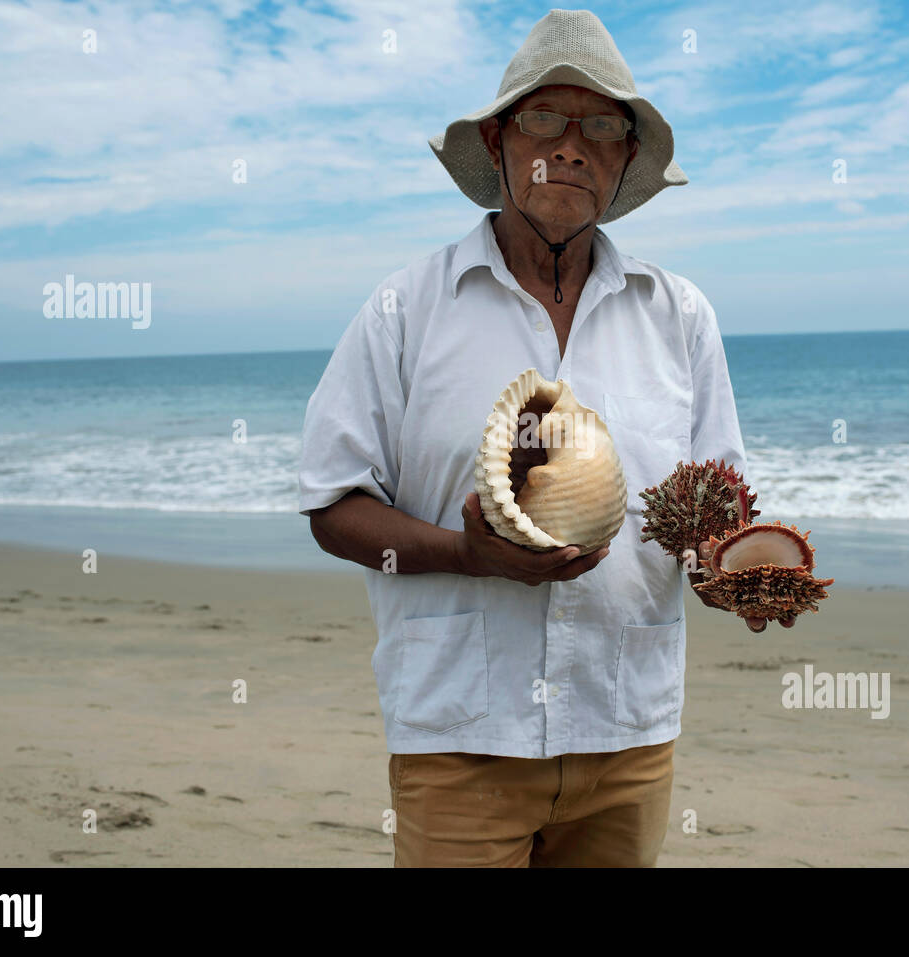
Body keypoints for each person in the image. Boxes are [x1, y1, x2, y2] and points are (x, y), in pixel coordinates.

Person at [298, 8, 790, 868]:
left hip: (627, 733)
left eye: (601, 126)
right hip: (460, 732)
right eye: (543, 119)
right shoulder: (406, 310)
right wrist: (467, 552)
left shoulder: (679, 317)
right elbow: (332, 504)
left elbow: (715, 506)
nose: (570, 145)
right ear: (496, 142)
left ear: (626, 157)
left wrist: (740, 573)